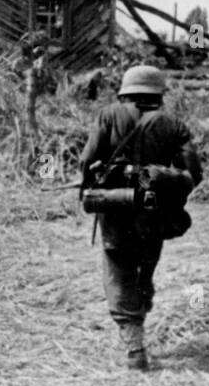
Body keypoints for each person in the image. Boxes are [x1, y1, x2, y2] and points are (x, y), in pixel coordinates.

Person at [80, 64, 202, 370]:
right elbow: (193, 174)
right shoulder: (173, 124)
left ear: (126, 91)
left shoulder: (108, 115)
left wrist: (94, 182)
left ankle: (134, 345)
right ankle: (142, 305)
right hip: (154, 212)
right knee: (145, 264)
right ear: (159, 93)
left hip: (116, 209)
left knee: (119, 269)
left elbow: (87, 161)